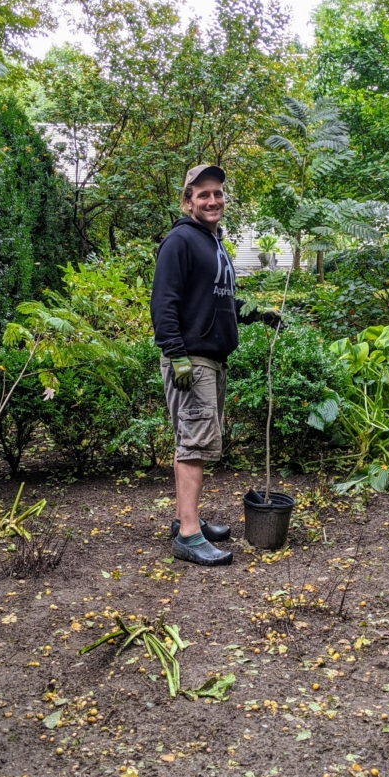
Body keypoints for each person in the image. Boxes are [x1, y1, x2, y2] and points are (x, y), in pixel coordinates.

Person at [150, 164, 280, 566]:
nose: (212, 200)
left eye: (218, 193)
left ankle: (185, 520)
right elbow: (163, 303)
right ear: (187, 200)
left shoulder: (214, 243)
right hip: (191, 359)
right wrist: (175, 355)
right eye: (202, 194)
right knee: (194, 444)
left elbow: (219, 303)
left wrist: (259, 313)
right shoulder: (180, 242)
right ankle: (188, 536)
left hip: (212, 358)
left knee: (194, 441)